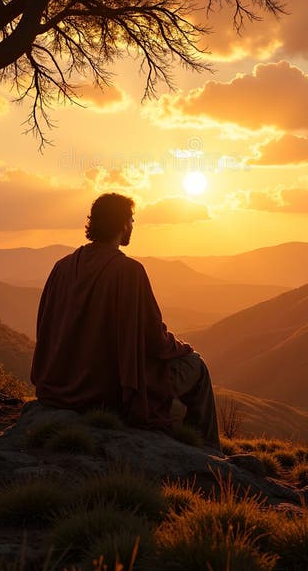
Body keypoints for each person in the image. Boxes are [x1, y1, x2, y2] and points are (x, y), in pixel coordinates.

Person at [30, 193, 220, 450]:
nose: (133, 225)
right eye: (131, 219)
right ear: (121, 225)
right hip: (110, 391)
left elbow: (45, 327)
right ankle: (206, 453)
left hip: (60, 387)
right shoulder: (129, 272)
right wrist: (182, 348)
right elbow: (154, 340)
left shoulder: (61, 267)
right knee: (197, 366)